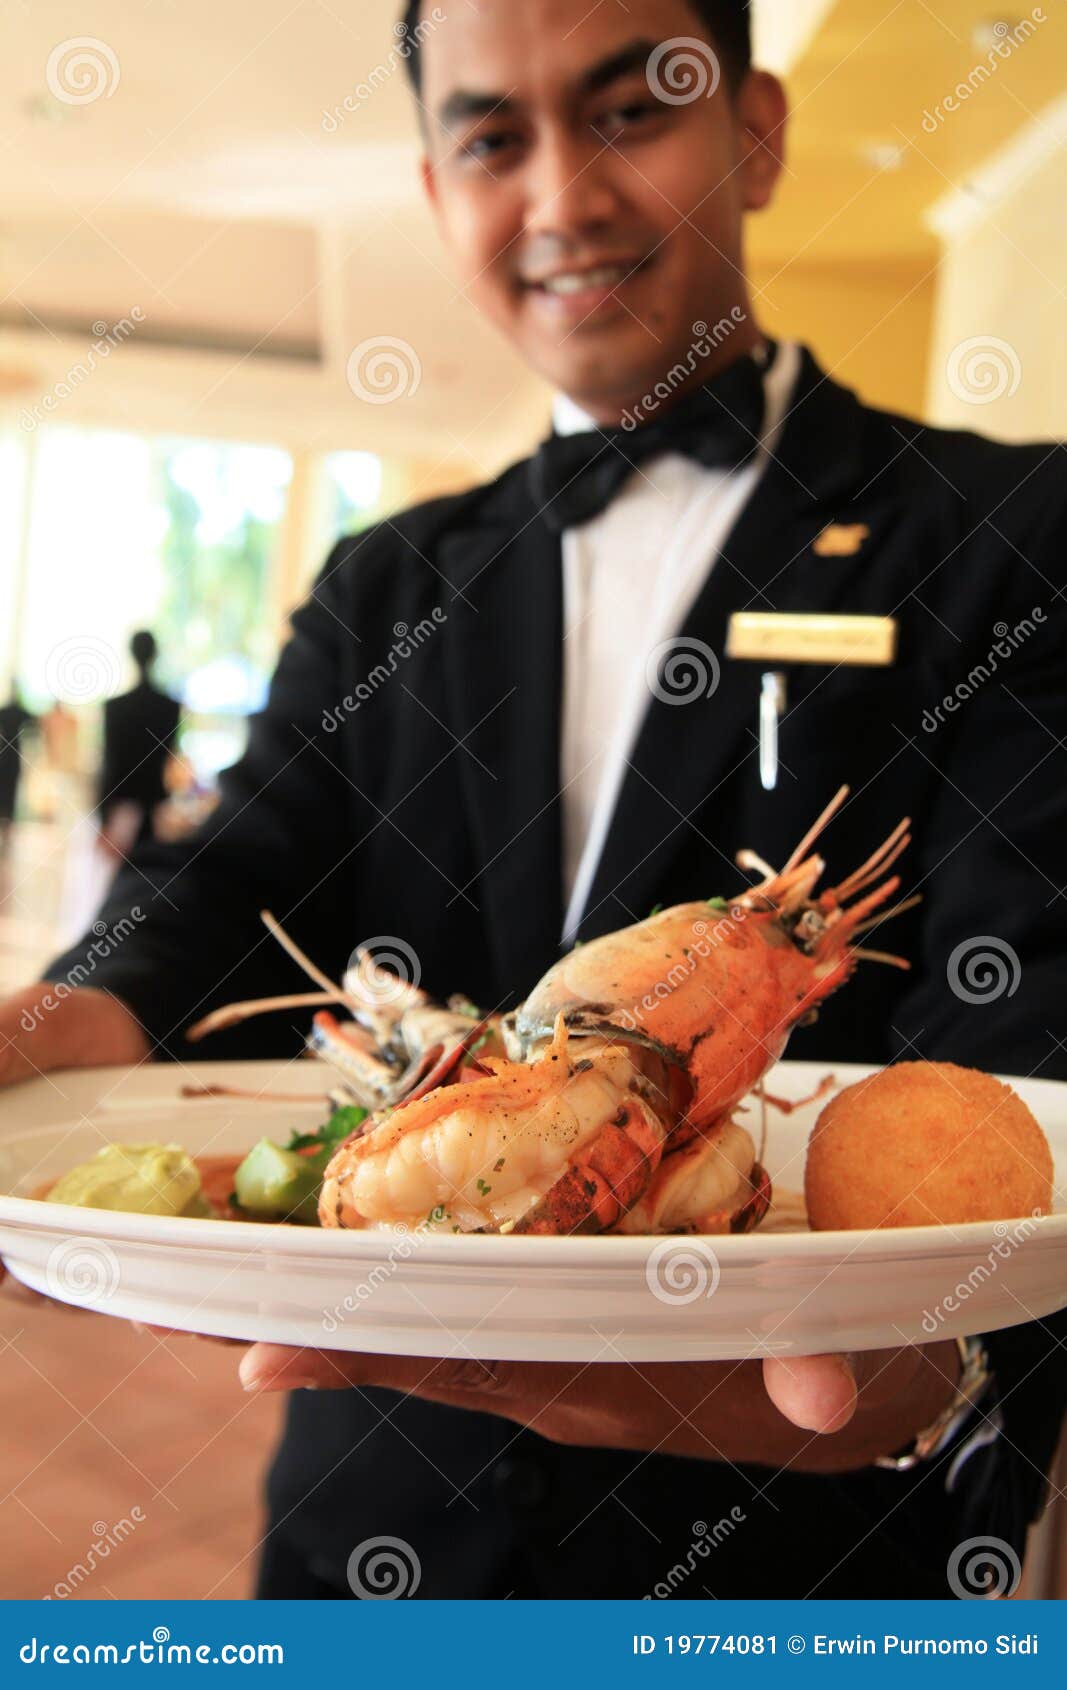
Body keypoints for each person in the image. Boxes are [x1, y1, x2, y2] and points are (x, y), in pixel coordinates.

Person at [1, 0, 1065, 1599]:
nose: (563, 197)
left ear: (755, 133)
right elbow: (232, 879)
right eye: (492, 139)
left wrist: (941, 1370)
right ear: (438, 193)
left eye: (631, 109)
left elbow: (1025, 1053)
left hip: (803, 1547)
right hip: (378, 1522)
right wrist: (77, 1007)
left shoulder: (1006, 535)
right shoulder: (383, 584)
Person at [97, 630, 181, 853]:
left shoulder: (115, 708)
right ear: (155, 654)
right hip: (154, 806)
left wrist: (103, 816)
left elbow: (110, 761)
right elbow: (169, 756)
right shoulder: (169, 707)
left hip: (122, 805)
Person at [0, 690, 35, 859]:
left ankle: (6, 829)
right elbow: (34, 726)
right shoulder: (20, 712)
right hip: (11, 758)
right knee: (9, 795)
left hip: (6, 757)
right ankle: (6, 829)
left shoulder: (6, 711)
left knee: (6, 794)